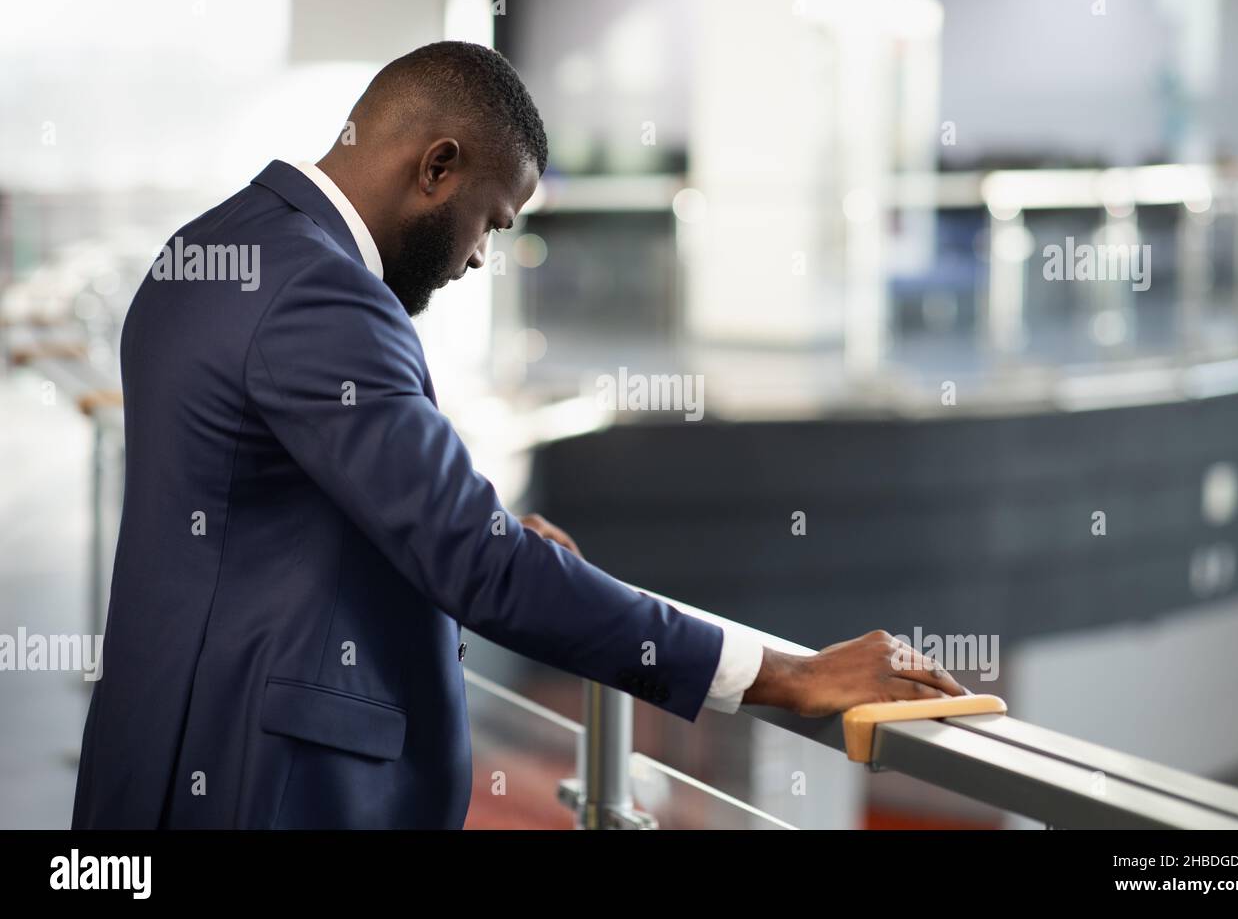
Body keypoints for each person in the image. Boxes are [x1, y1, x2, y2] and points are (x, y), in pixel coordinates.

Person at [72, 41, 965, 829]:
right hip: (269, 788)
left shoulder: (213, 246)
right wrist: (784, 674)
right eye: (492, 221)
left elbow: (257, 509)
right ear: (438, 167)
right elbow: (480, 565)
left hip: (160, 757)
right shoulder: (325, 295)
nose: (478, 257)